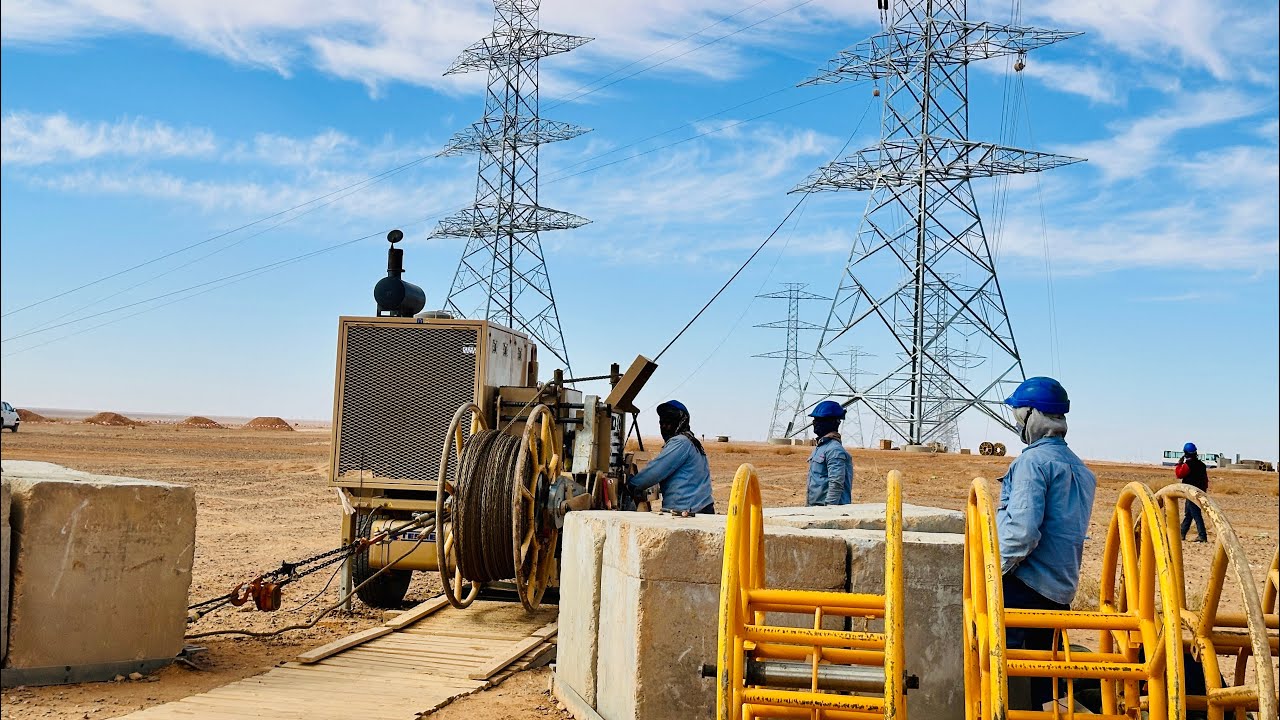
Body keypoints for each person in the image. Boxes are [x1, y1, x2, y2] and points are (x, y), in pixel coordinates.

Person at [997, 377, 1097, 711]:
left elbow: (1022, 531)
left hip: (1023, 585)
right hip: (1059, 588)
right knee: (1047, 679)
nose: (1017, 423)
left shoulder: (1032, 463)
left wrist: (991, 572)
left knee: (1005, 673)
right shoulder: (1080, 468)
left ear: (1033, 416)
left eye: (1019, 415)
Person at [629, 400, 714, 515]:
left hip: (688, 511)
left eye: (669, 422)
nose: (664, 427)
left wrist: (632, 484)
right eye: (662, 423)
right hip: (698, 508)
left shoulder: (681, 442)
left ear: (681, 422)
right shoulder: (691, 442)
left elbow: (657, 470)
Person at [806, 400, 852, 506]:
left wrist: (829, 511)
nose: (814, 423)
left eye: (819, 420)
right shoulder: (821, 447)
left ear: (833, 422)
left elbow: (836, 484)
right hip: (816, 509)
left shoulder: (834, 450)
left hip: (827, 511)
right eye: (814, 419)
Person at [1176, 442, 1209, 542]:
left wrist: (1179, 464)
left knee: (1195, 513)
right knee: (1189, 514)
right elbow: (1205, 479)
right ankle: (1182, 533)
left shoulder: (1187, 465)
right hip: (1199, 491)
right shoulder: (1202, 465)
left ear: (1185, 453)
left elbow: (1179, 474)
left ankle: (1202, 535)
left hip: (1191, 492)